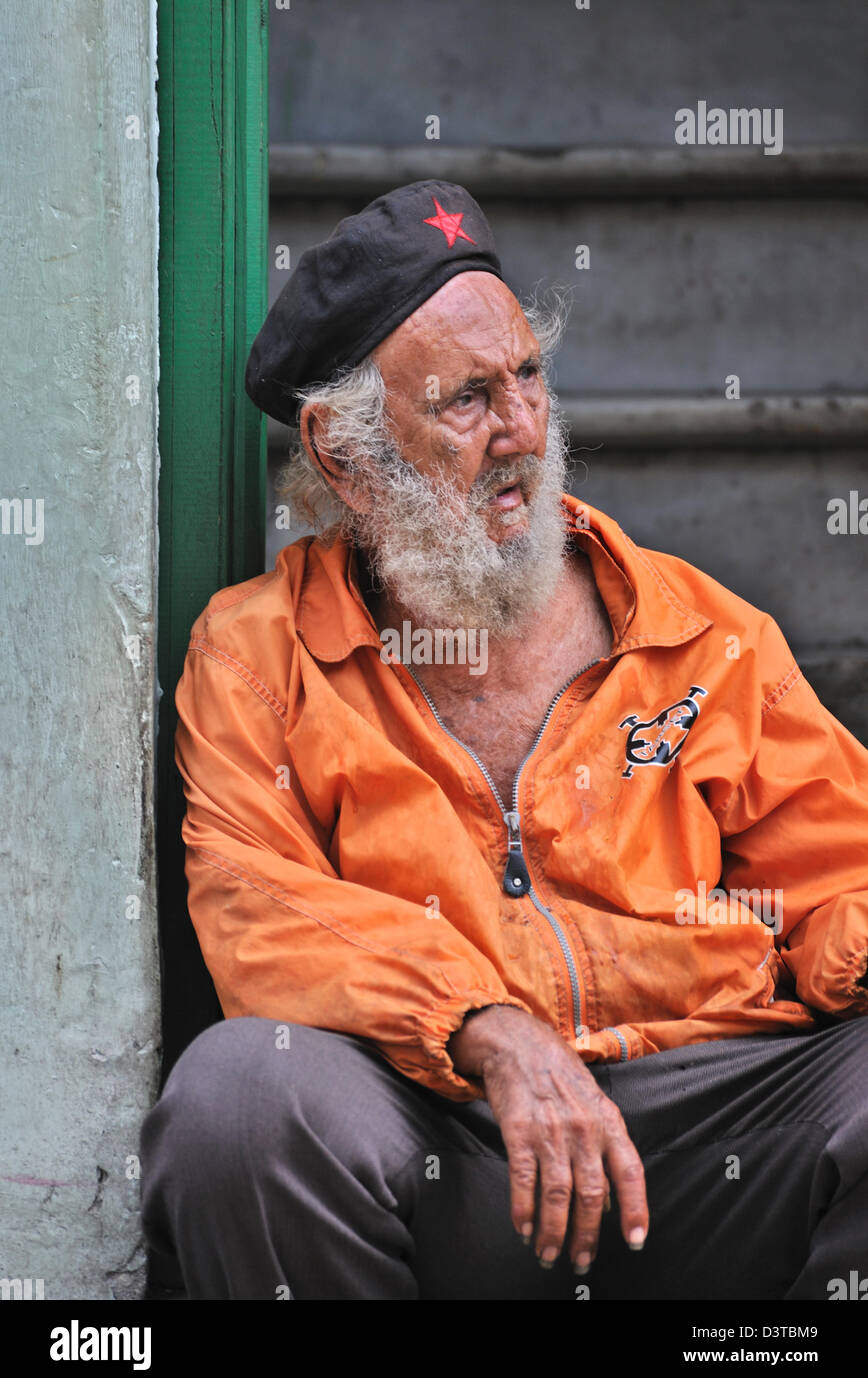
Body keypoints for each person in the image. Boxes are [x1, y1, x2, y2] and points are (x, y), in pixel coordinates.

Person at [141, 181, 868, 1301]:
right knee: (241, 1095)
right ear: (343, 455)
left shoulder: (705, 635)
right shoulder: (255, 657)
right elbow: (257, 906)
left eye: (527, 375)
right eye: (466, 399)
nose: (521, 429)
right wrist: (483, 1027)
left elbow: (836, 883)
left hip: (708, 1140)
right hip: (450, 1148)